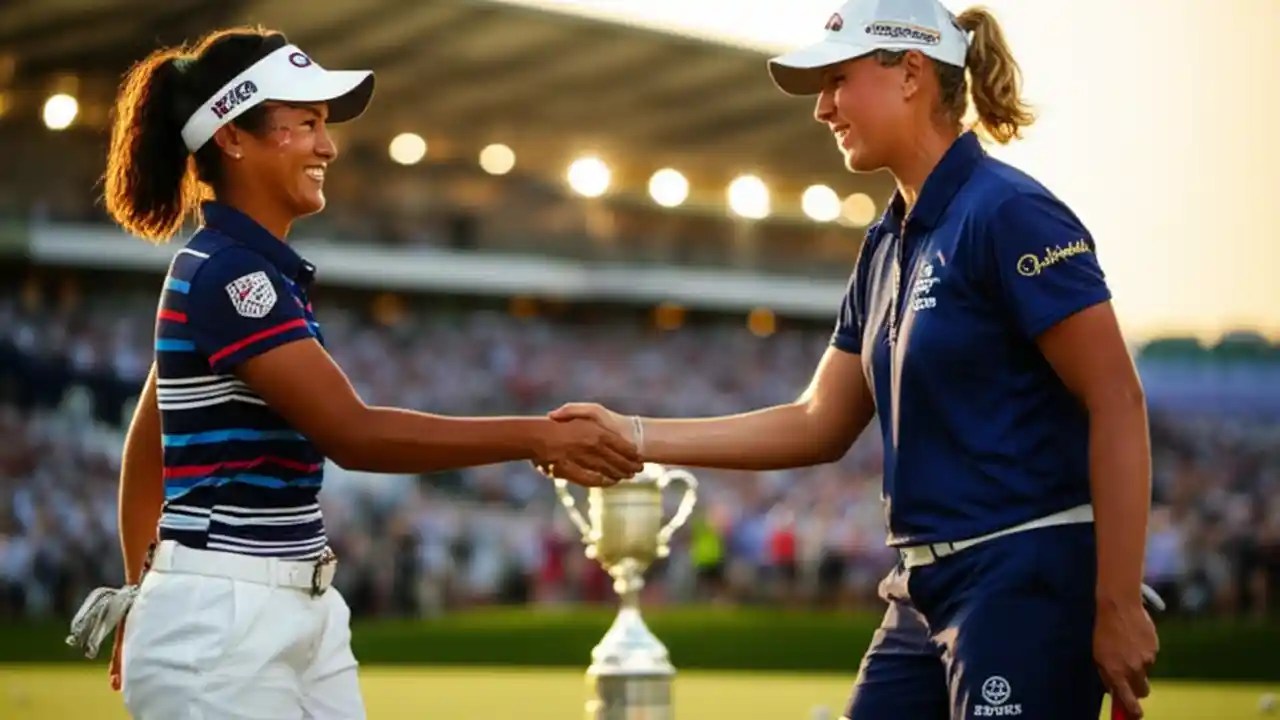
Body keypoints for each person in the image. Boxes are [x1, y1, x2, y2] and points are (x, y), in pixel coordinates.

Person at [545, 1, 1159, 718]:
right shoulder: (884, 243)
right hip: (920, 588)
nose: (824, 109)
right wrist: (637, 435)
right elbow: (817, 422)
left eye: (838, 81)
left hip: (1023, 581)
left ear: (911, 73)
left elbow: (1117, 400)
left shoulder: (1010, 212)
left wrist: (1117, 604)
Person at [85, 26, 642, 720]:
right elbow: (353, 434)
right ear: (233, 137)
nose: (329, 146)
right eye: (307, 124)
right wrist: (537, 437)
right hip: (223, 624)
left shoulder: (244, 268)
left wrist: (142, 587)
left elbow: (149, 441)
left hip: (281, 609)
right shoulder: (234, 275)